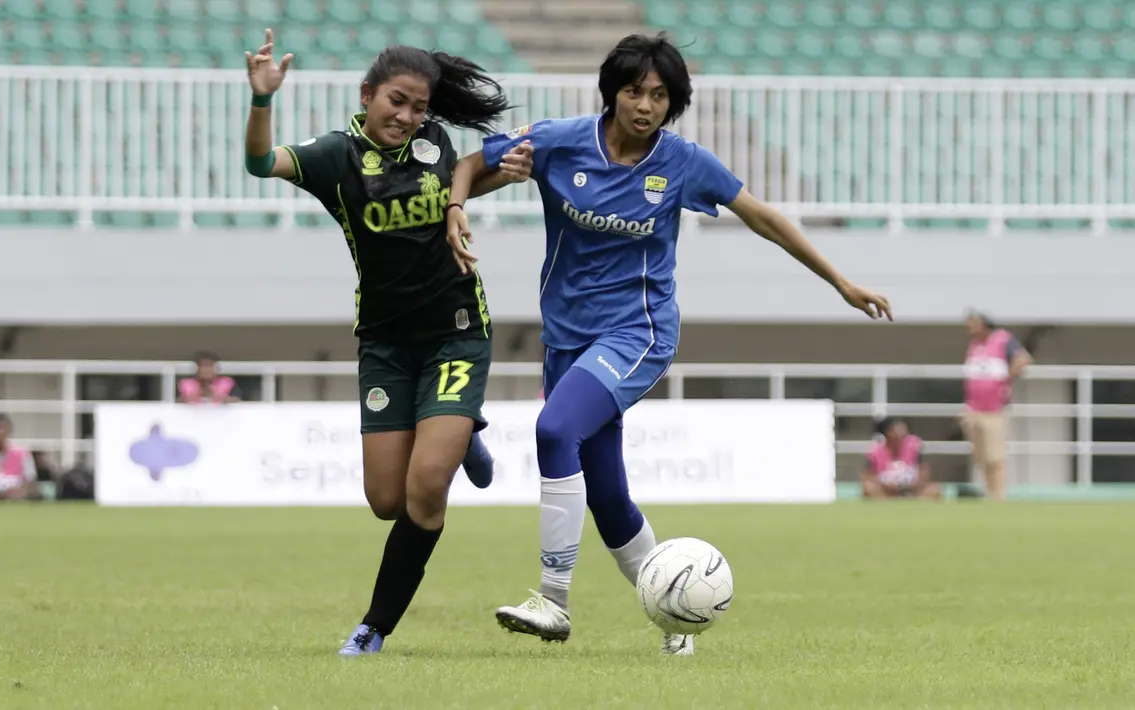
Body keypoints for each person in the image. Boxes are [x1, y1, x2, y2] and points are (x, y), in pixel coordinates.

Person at [447, 32, 892, 656]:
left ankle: (553, 600)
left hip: (638, 332)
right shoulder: (562, 140)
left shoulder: (681, 162)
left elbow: (761, 215)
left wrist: (840, 280)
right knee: (606, 496)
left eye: (659, 95)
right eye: (634, 91)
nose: (646, 105)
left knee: (553, 432)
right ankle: (677, 620)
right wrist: (460, 203)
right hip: (566, 339)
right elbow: (471, 163)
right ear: (613, 93)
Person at [243, 29, 533, 656]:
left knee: (426, 490)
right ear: (368, 94)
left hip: (456, 332)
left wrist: (485, 185)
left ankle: (374, 627)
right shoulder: (334, 158)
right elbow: (262, 164)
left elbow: (452, 183)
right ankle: (463, 432)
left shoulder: (433, 144)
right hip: (385, 343)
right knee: (385, 500)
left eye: (419, 107)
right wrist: (262, 101)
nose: (407, 116)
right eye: (397, 102)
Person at [961, 310, 1032, 501]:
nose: (969, 328)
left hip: (994, 409)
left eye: (973, 323)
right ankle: (988, 492)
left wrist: (1006, 378)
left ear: (983, 323)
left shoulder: (1002, 339)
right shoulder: (974, 345)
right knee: (981, 456)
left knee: (995, 456)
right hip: (974, 407)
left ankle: (998, 495)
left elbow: (1023, 359)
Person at [862, 417, 941, 500]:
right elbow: (868, 476)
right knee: (868, 488)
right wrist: (886, 486)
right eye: (898, 428)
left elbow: (924, 470)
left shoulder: (914, 446)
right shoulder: (876, 450)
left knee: (935, 489)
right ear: (888, 432)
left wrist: (912, 486)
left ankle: (912, 504)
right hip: (886, 491)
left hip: (911, 490)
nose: (903, 432)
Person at [178, 351, 242, 404]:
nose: (206, 370)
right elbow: (174, 402)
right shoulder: (185, 384)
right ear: (197, 368)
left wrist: (219, 397)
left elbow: (237, 401)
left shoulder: (227, 383)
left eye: (209, 366)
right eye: (203, 366)